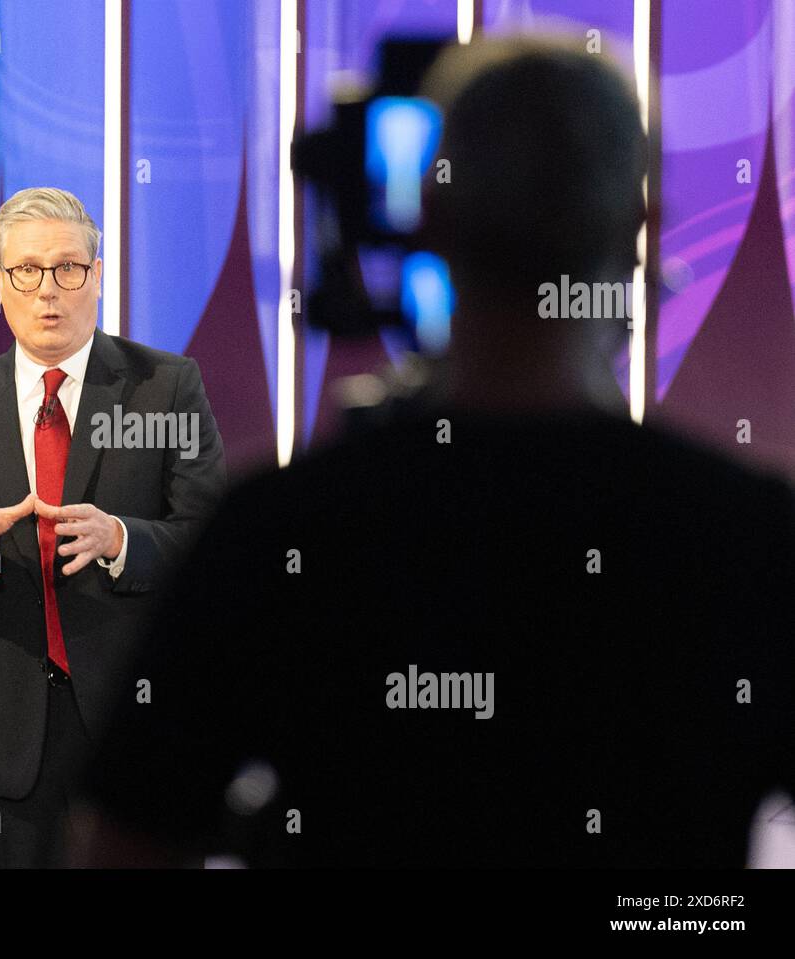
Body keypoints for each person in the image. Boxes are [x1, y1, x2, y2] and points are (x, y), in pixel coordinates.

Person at [70, 35, 795, 867]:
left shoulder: (284, 528)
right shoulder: (748, 535)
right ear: (641, 222)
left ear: (432, 213)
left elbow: (126, 841)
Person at [0, 187, 226, 867]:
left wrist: (123, 540)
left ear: (98, 275)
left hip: (134, 725)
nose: (49, 290)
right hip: (4, 739)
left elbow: (210, 544)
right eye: (26, 270)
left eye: (69, 268)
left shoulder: (166, 386)